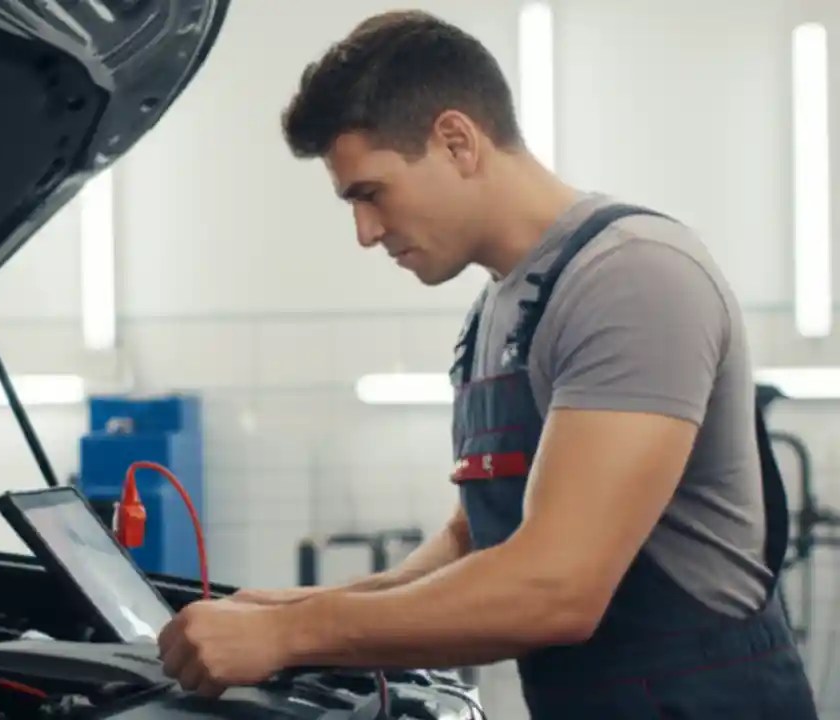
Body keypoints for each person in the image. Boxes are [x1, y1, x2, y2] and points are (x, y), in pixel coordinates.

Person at [154, 10, 819, 718]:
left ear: (456, 141)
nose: (365, 232)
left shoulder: (633, 278)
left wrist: (293, 634)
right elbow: (472, 542)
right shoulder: (501, 308)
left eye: (370, 193)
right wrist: (292, 609)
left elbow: (556, 588)